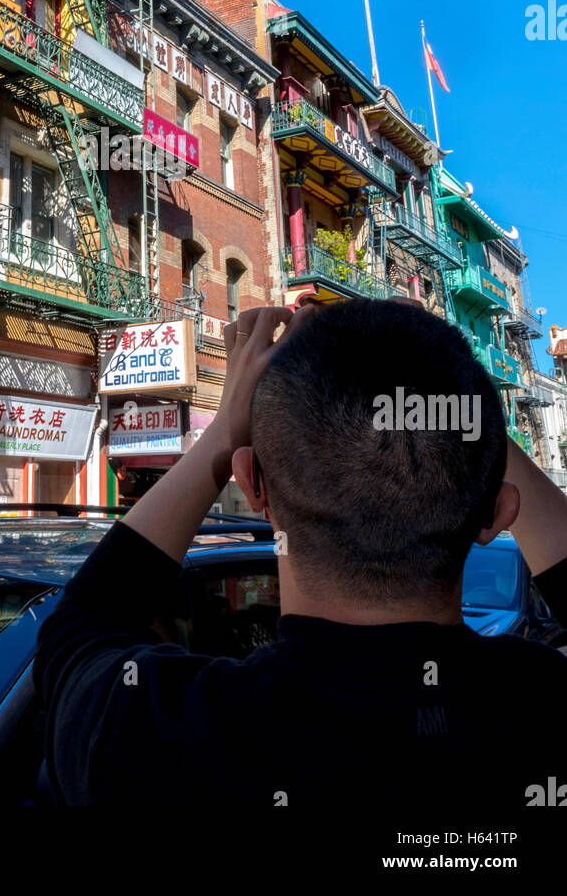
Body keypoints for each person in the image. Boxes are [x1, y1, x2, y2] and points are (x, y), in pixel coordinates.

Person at [33, 299, 567, 810]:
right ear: (498, 513)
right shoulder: (543, 709)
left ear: (251, 484)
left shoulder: (161, 730)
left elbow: (79, 627)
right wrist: (443, 380)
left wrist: (224, 429)